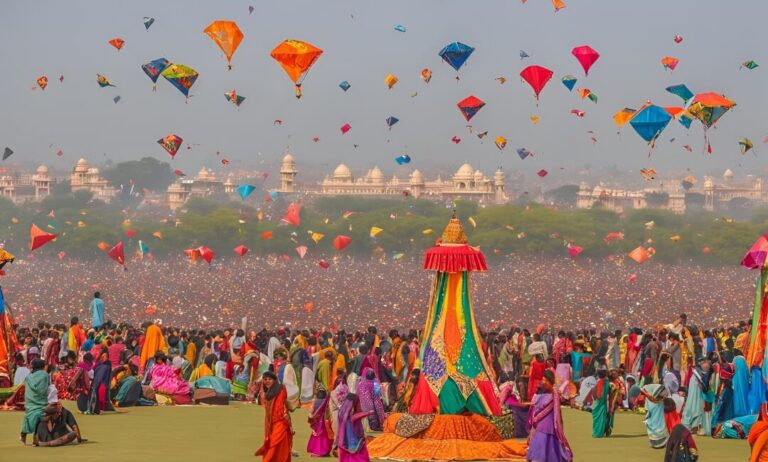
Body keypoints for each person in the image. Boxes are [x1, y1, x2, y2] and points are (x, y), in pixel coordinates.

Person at [527, 369, 573, 462]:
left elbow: (558, 412)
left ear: (550, 382)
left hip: (551, 427)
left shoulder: (555, 395)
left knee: (552, 452)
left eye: (545, 380)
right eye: (542, 380)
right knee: (538, 451)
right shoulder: (540, 394)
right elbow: (535, 410)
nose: (543, 382)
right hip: (541, 427)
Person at [255, 371, 293, 462]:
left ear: (274, 380)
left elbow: (280, 407)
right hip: (271, 424)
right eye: (265, 379)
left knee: (274, 446)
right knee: (275, 447)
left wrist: (283, 418)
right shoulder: (268, 393)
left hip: (281, 422)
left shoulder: (281, 389)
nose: (267, 381)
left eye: (269, 379)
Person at [336, 393, 373, 462]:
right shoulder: (347, 414)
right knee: (356, 453)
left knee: (347, 454)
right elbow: (355, 417)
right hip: (352, 439)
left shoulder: (342, 412)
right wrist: (368, 412)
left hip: (344, 439)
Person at [20, 359, 50, 445]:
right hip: (42, 404)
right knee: (43, 415)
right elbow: (47, 388)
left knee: (29, 417)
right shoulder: (45, 375)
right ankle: (36, 437)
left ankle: (24, 434)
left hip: (30, 405)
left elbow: (28, 391)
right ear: (42, 367)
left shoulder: (29, 377)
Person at [640, 383, 669, 448]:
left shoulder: (651, 392)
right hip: (657, 409)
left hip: (657, 409)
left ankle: (658, 443)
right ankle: (658, 443)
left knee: (656, 425)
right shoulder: (650, 395)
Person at [307, 388, 333, 457]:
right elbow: (328, 412)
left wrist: (311, 419)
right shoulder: (326, 402)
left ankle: (317, 451)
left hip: (316, 422)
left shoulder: (314, 401)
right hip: (324, 423)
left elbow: (311, 412)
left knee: (317, 437)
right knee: (324, 437)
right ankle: (324, 451)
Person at [592, 366, 615, 438]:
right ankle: (602, 431)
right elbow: (610, 393)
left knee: (598, 418)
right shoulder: (607, 382)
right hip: (604, 403)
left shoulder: (600, 382)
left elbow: (597, 396)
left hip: (598, 403)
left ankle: (598, 433)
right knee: (603, 418)